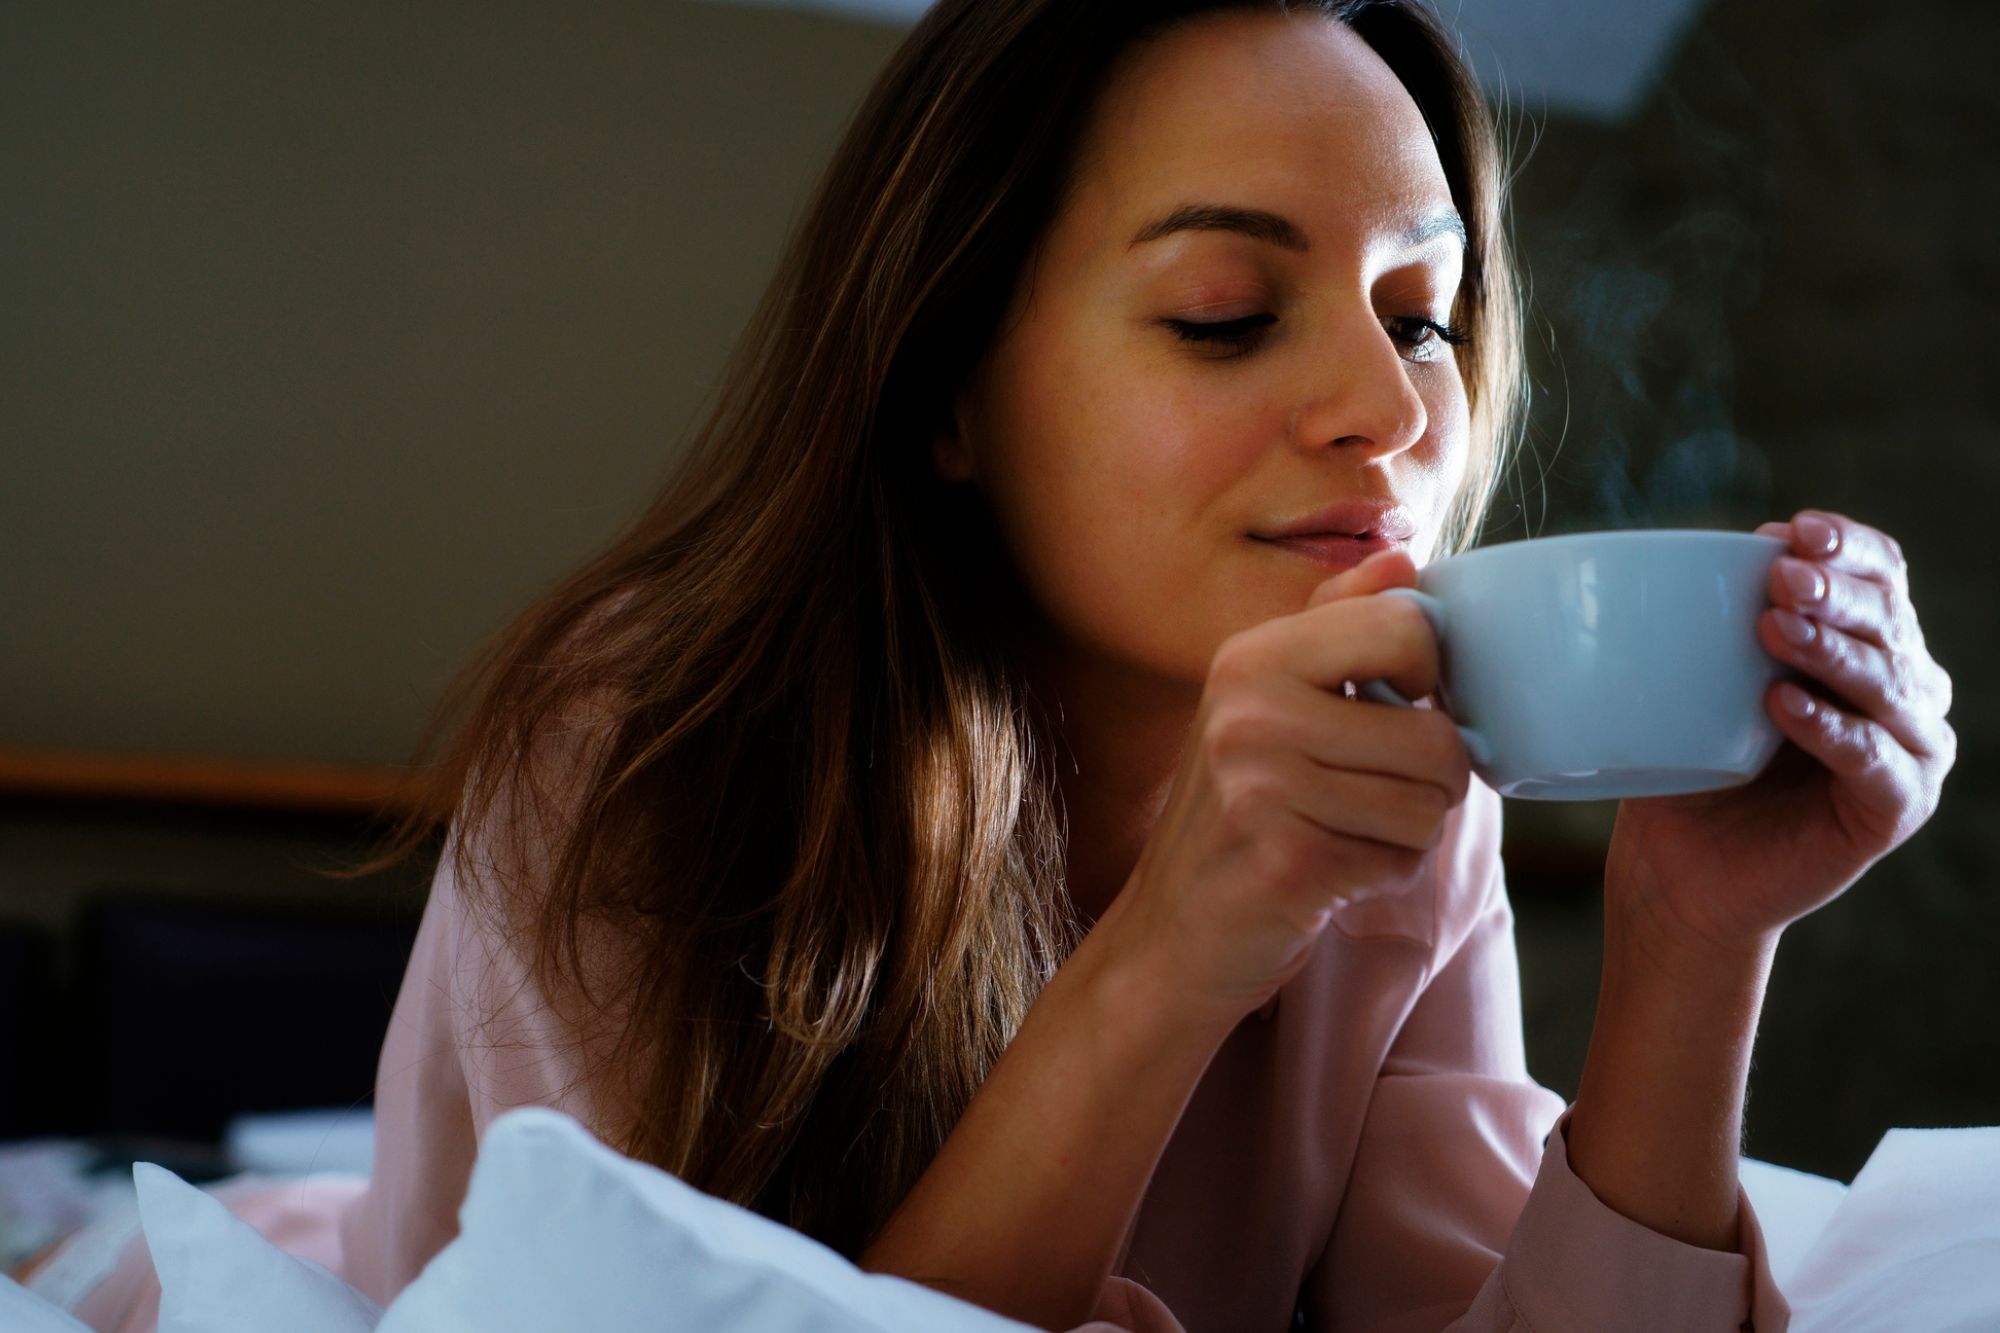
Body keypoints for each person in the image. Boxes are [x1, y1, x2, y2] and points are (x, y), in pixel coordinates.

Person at [49, 1, 1955, 1329]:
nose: (1391, 411)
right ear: (951, 387)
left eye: (1427, 315)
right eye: (1226, 314)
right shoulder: (646, 748)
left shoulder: (1408, 787)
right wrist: (1176, 950)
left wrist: (1699, 942)